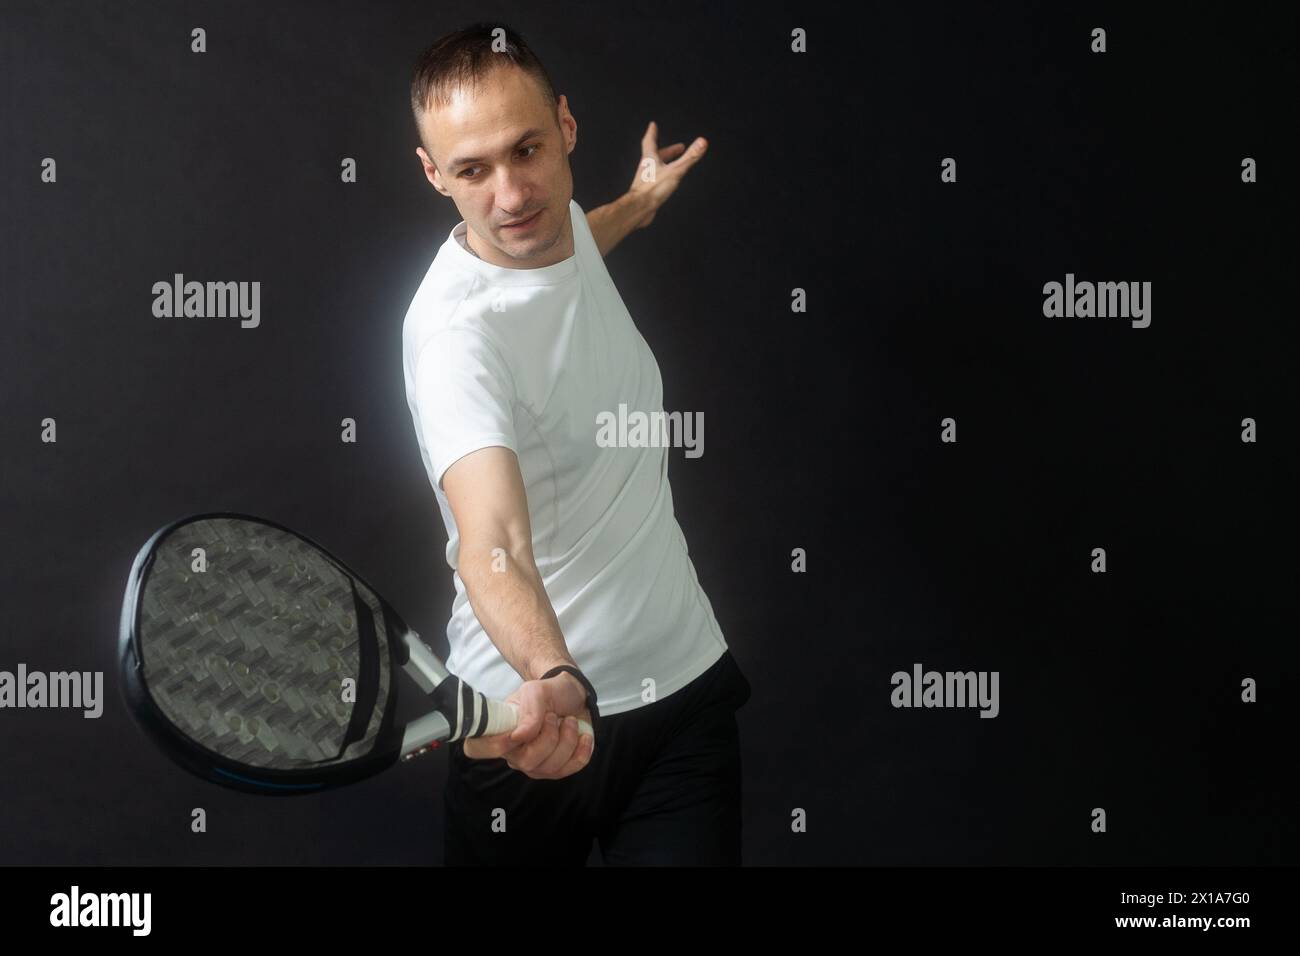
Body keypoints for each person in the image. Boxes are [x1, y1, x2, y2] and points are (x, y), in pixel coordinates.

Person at [402, 22, 751, 865]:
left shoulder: (555, 231)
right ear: (433, 174)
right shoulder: (455, 337)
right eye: (473, 170)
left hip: (681, 694)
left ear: (565, 126)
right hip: (533, 726)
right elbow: (492, 543)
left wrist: (639, 201)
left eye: (527, 150)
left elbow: (576, 249)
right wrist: (555, 676)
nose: (512, 194)